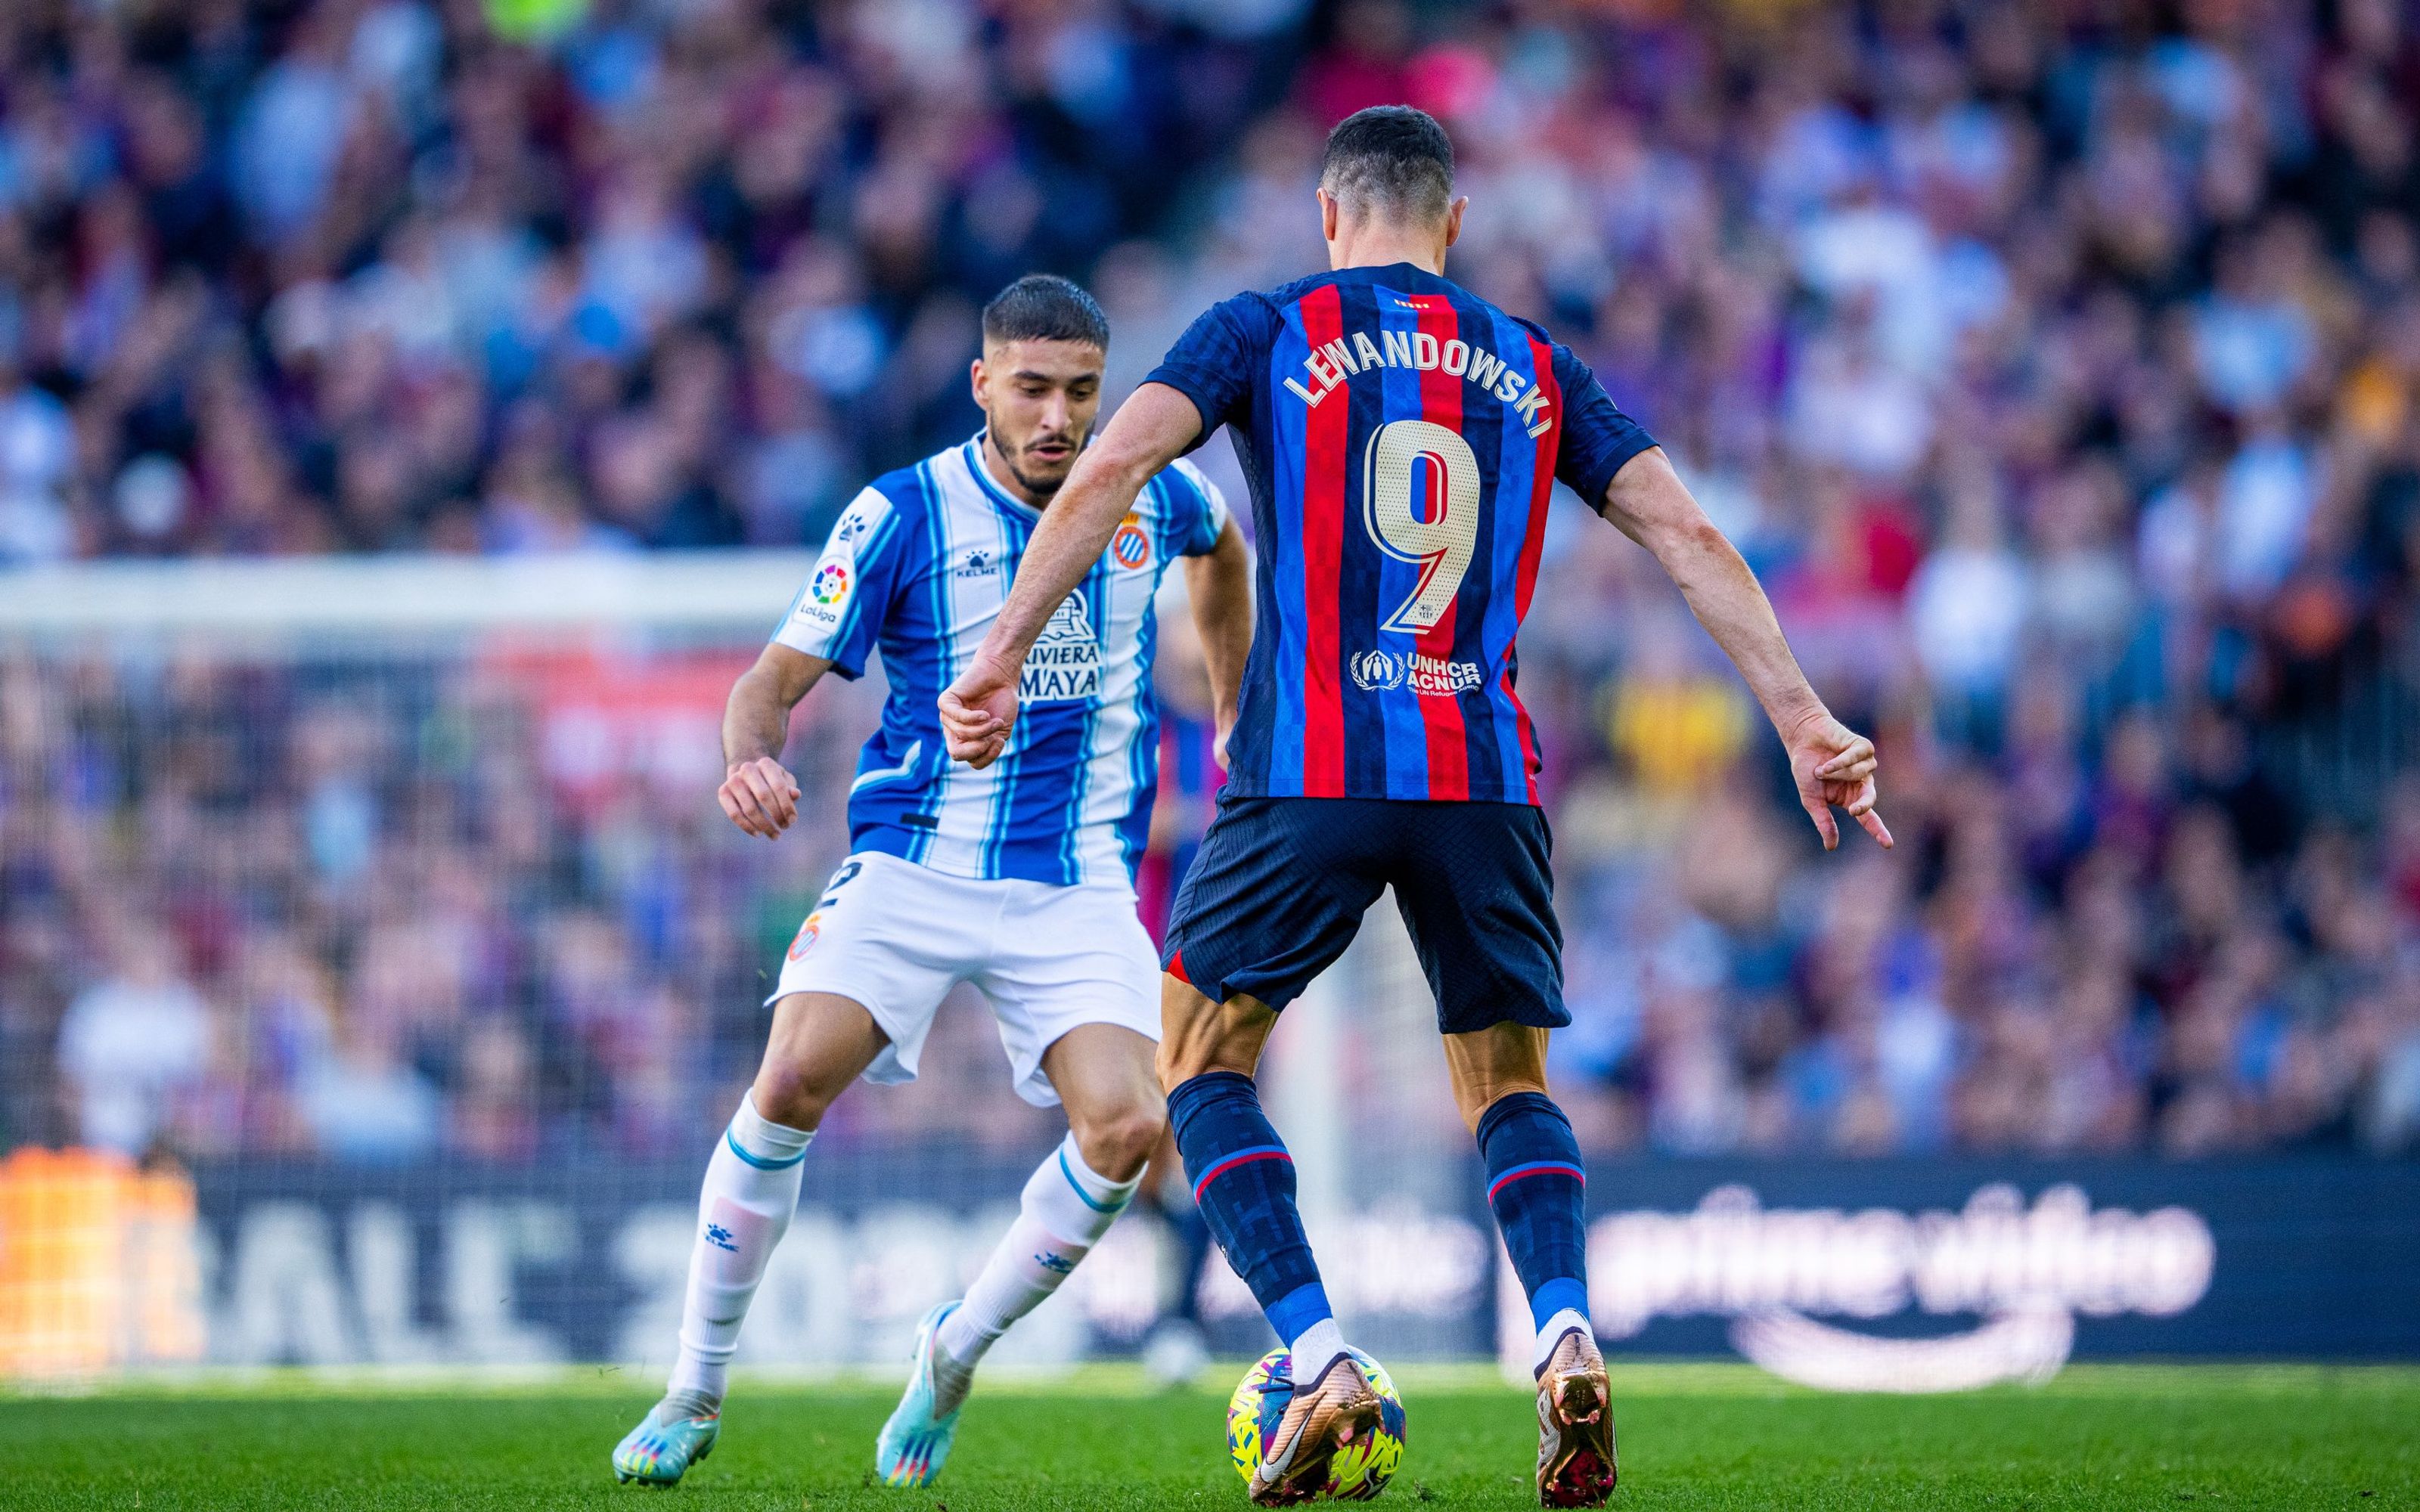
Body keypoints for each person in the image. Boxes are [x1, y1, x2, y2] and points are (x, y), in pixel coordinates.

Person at [939, 108, 1889, 1507]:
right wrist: (1805, 721)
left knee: (1197, 1063)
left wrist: (1005, 648)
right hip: (1480, 779)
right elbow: (1686, 532)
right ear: (1451, 225)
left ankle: (1316, 1353)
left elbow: (1115, 465)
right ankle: (1564, 1330)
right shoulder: (1534, 364)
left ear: (1333, 216)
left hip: (1306, 771)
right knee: (1507, 1084)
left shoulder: (1262, 326)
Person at [612, 274, 1252, 1489]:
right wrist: (748, 759)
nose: (1059, 416)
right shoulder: (902, 512)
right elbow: (770, 682)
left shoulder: (1155, 494)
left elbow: (1225, 552)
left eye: (1080, 391)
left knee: (1128, 1128)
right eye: (1033, 389)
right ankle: (694, 1386)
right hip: (916, 861)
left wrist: (1234, 712)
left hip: (1075, 885)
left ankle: (954, 1355)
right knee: (792, 1073)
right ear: (983, 386)